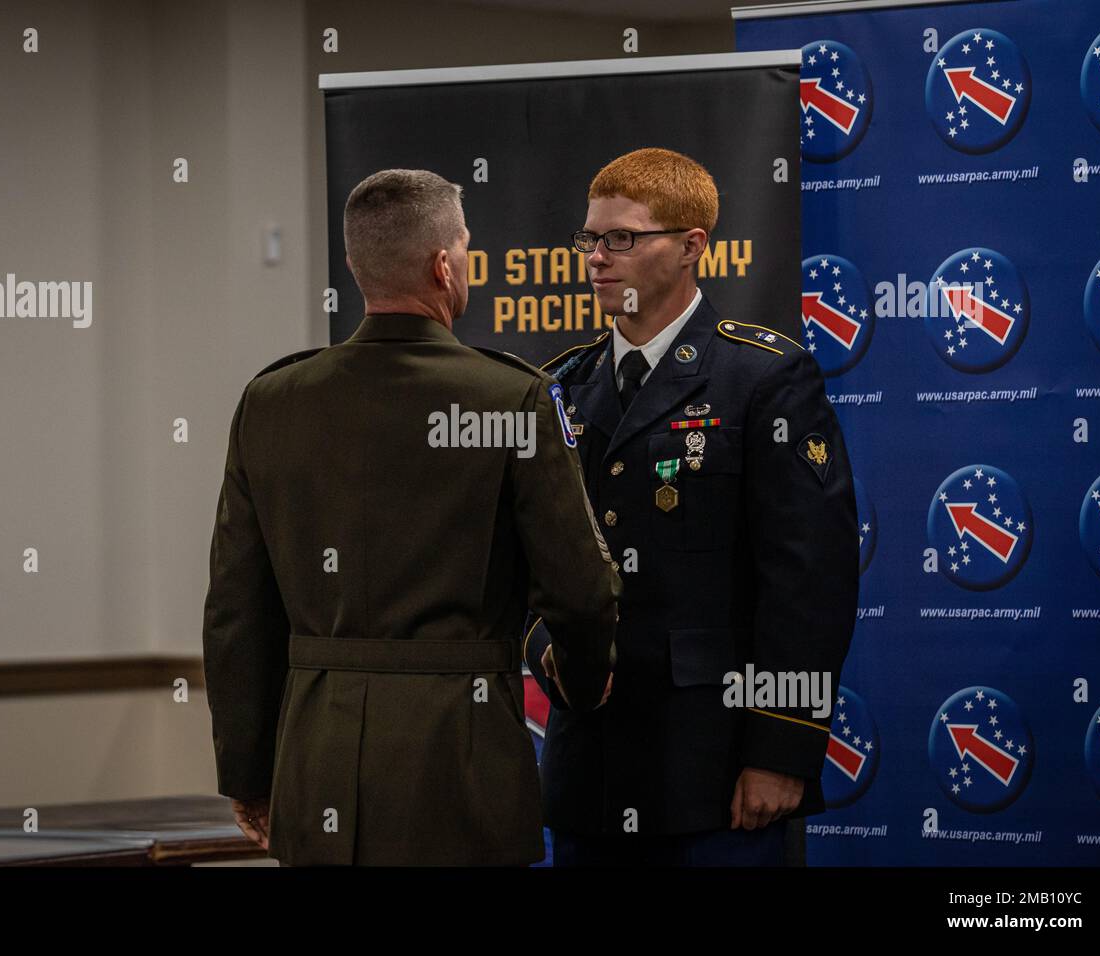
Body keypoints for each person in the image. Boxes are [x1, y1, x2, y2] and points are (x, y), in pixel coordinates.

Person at [202, 168, 619, 866]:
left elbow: (236, 613)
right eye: (466, 248)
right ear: (441, 265)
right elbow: (579, 590)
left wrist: (247, 775)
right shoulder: (509, 399)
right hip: (463, 761)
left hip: (316, 759)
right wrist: (581, 683)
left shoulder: (271, 402)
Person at [524, 147, 858, 866]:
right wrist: (549, 645)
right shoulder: (559, 386)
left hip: (714, 765)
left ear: (690, 247)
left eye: (622, 238)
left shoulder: (762, 377)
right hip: (590, 767)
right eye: (590, 238)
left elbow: (809, 580)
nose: (597, 258)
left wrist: (781, 746)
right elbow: (522, 560)